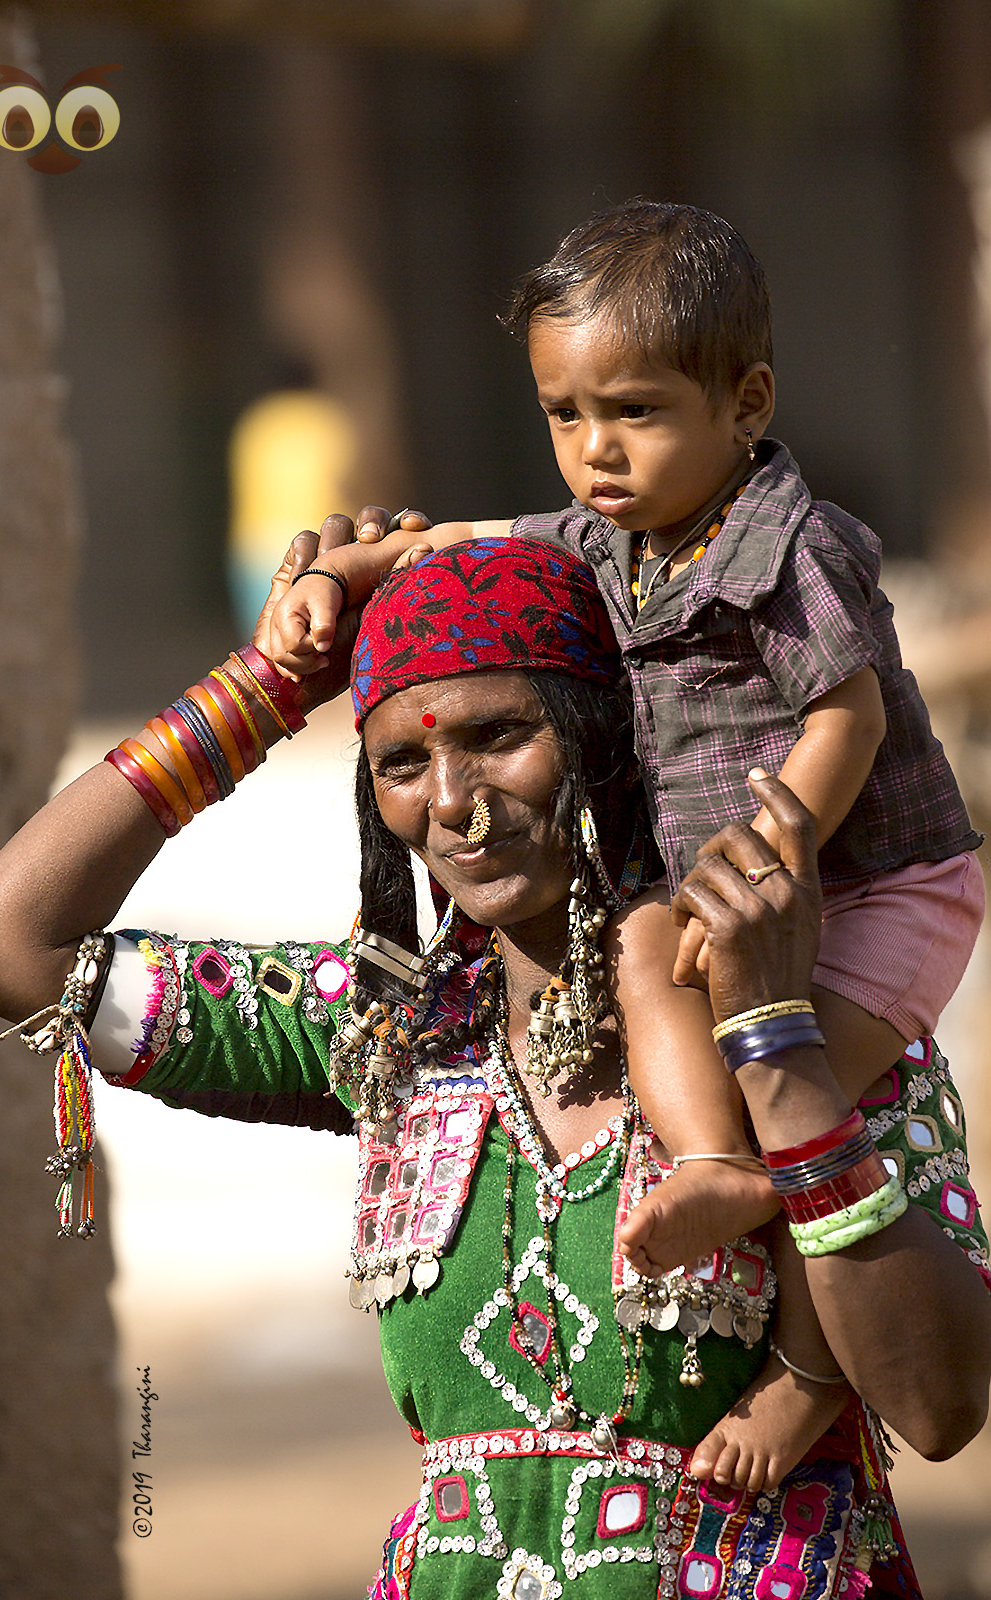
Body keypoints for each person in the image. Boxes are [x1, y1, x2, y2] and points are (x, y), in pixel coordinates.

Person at [0, 538, 989, 1600]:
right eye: (399, 761)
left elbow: (939, 1407)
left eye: (498, 736)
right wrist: (266, 690)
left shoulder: (809, 1010)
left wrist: (770, 1046)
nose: (450, 800)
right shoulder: (384, 1030)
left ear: (603, 736)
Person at [261, 201, 985, 1480]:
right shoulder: (611, 543)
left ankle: (803, 1382)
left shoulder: (787, 542)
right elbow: (472, 545)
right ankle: (706, 1157)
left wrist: (779, 850)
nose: (594, 450)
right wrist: (352, 572)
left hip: (873, 882)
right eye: (563, 414)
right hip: (723, 887)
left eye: (635, 411)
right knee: (646, 942)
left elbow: (847, 711)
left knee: (813, 1105)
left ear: (744, 398)